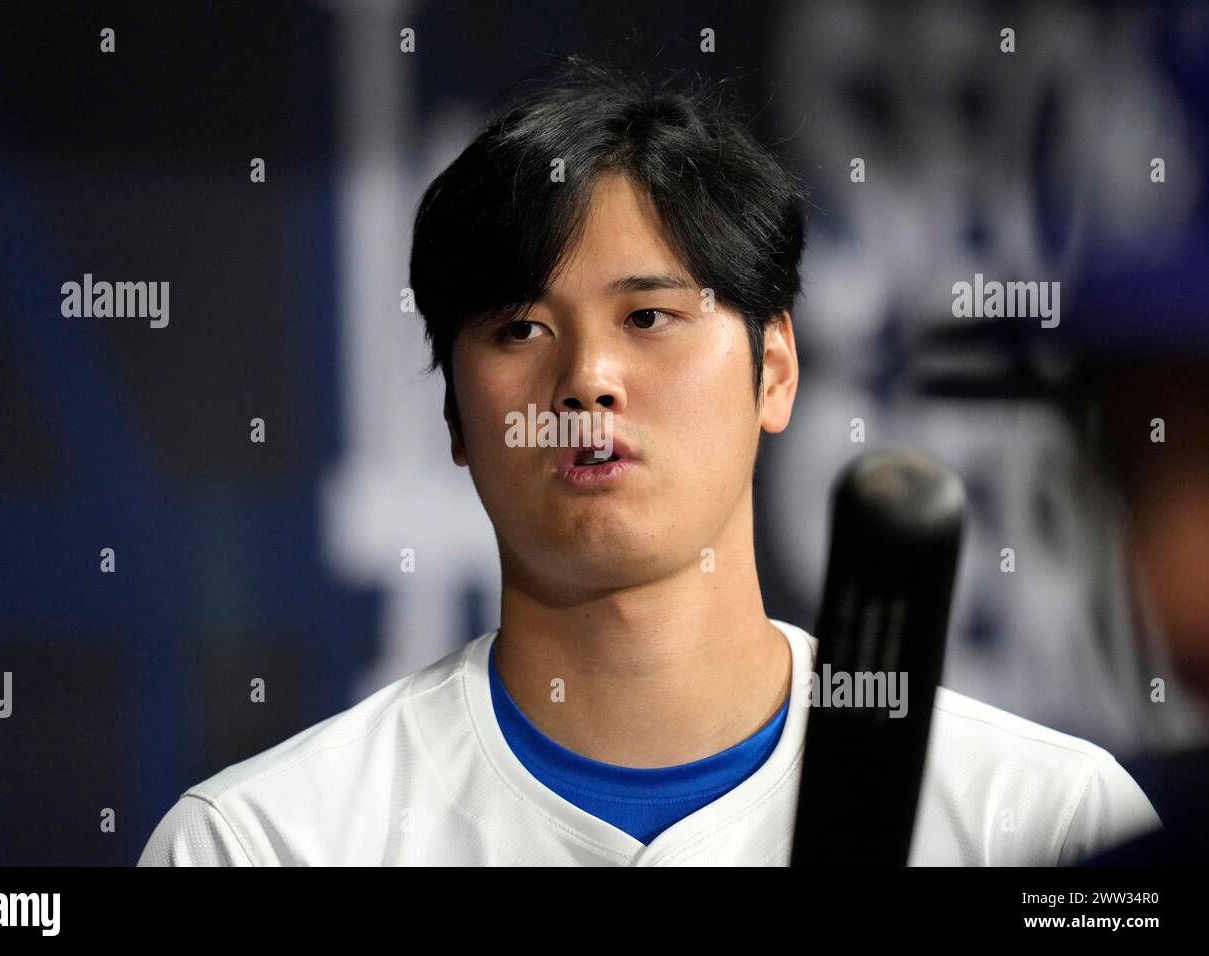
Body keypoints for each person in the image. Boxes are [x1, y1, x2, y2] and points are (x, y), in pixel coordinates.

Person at [139, 55, 1160, 866]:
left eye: (651, 316)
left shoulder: (1048, 823)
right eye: (520, 329)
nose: (588, 380)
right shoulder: (265, 841)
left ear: (774, 369)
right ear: (455, 415)